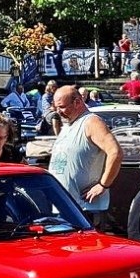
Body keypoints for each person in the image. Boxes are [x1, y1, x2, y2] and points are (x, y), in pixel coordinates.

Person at [47, 86, 122, 230]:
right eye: (56, 107)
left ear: (77, 102)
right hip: (65, 208)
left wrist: (103, 185)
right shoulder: (68, 124)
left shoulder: (91, 122)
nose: (58, 112)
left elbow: (115, 152)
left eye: (62, 107)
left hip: (85, 210)